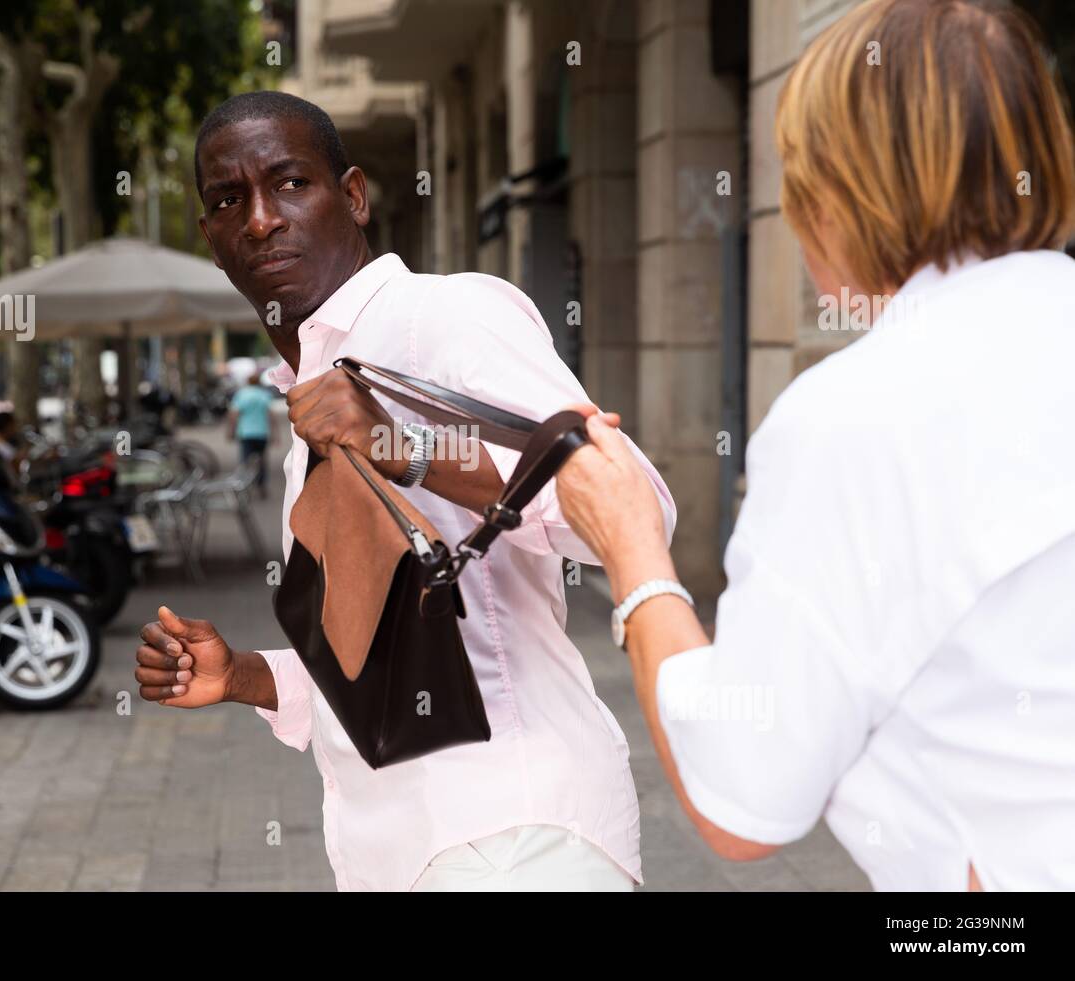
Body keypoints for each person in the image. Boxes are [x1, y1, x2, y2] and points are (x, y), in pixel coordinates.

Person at [551, 0, 1075, 891]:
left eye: (794, 173)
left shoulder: (858, 414)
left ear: (840, 188)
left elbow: (742, 799)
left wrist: (634, 552)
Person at [133, 90, 677, 891]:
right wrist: (243, 675)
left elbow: (631, 501)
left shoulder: (439, 315)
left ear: (352, 195)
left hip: (512, 836)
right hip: (409, 856)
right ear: (211, 237)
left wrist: (399, 444)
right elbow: (383, 657)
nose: (260, 219)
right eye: (228, 199)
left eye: (289, 183)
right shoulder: (309, 391)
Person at [227, 371, 272, 496]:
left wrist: (231, 431)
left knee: (245, 461)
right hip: (262, 432)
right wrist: (275, 433)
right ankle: (261, 485)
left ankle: (245, 487)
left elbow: (234, 414)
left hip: (246, 433)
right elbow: (270, 415)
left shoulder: (241, 395)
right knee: (262, 460)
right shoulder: (264, 395)